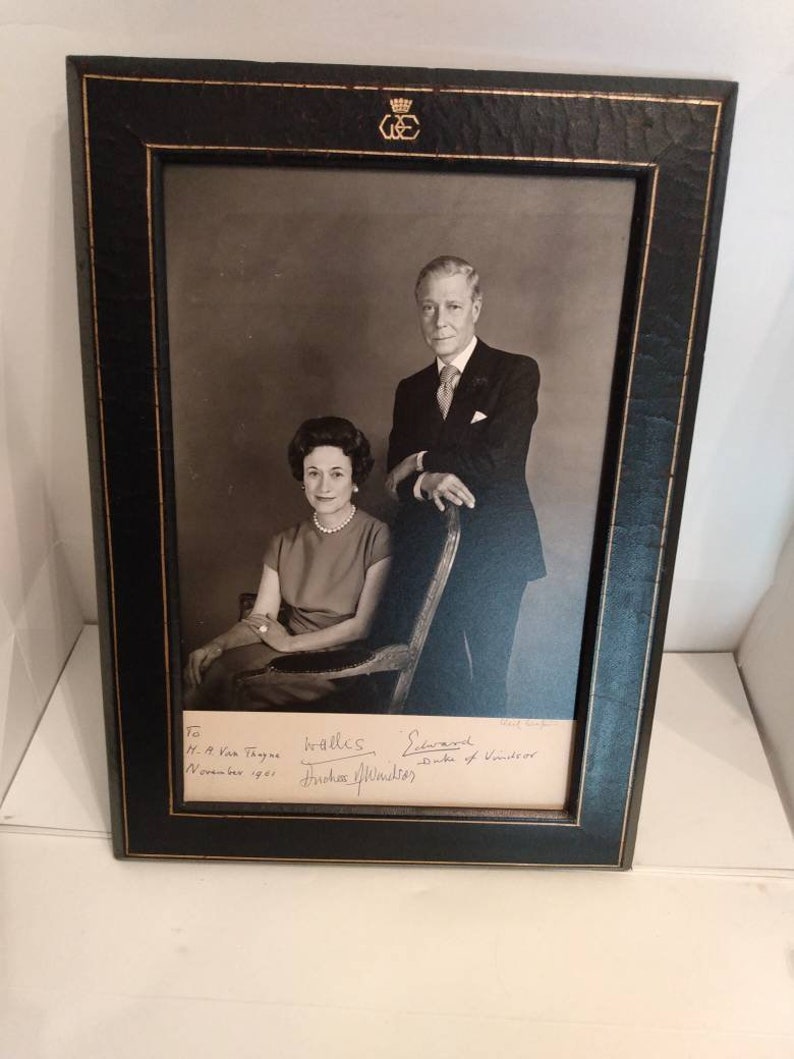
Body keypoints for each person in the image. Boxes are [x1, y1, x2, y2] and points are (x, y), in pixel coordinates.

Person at [385, 255, 545, 716]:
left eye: (453, 306)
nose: (440, 321)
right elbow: (393, 482)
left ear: (476, 307)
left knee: (487, 680)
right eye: (429, 307)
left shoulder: (515, 371)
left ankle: (488, 759)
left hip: (495, 552)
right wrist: (423, 482)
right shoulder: (410, 389)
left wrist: (421, 461)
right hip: (425, 556)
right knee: (437, 681)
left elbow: (498, 462)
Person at [184, 416, 391, 710]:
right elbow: (260, 620)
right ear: (302, 479)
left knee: (241, 692)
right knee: (210, 677)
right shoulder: (283, 541)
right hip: (282, 655)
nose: (324, 486)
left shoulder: (377, 535)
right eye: (313, 473)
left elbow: (361, 627)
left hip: (338, 667)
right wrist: (216, 645)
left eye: (336, 474)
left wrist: (289, 644)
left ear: (354, 479)